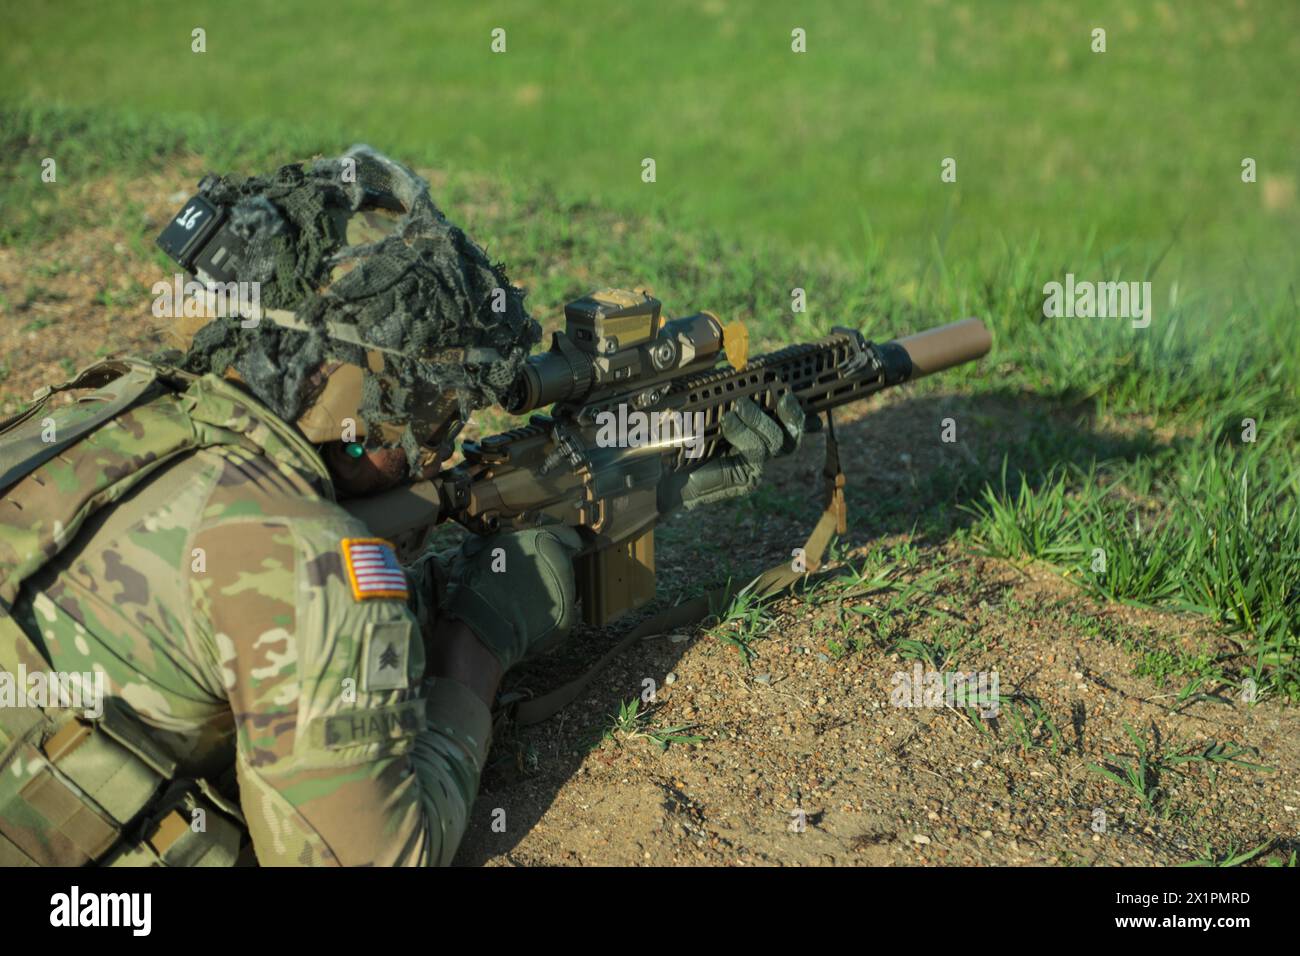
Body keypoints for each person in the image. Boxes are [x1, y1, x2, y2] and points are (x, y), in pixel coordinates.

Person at [0, 147, 800, 867]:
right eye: (436, 412)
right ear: (349, 394)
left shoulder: (108, 406)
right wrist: (479, 638)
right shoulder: (304, 563)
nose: (442, 451)